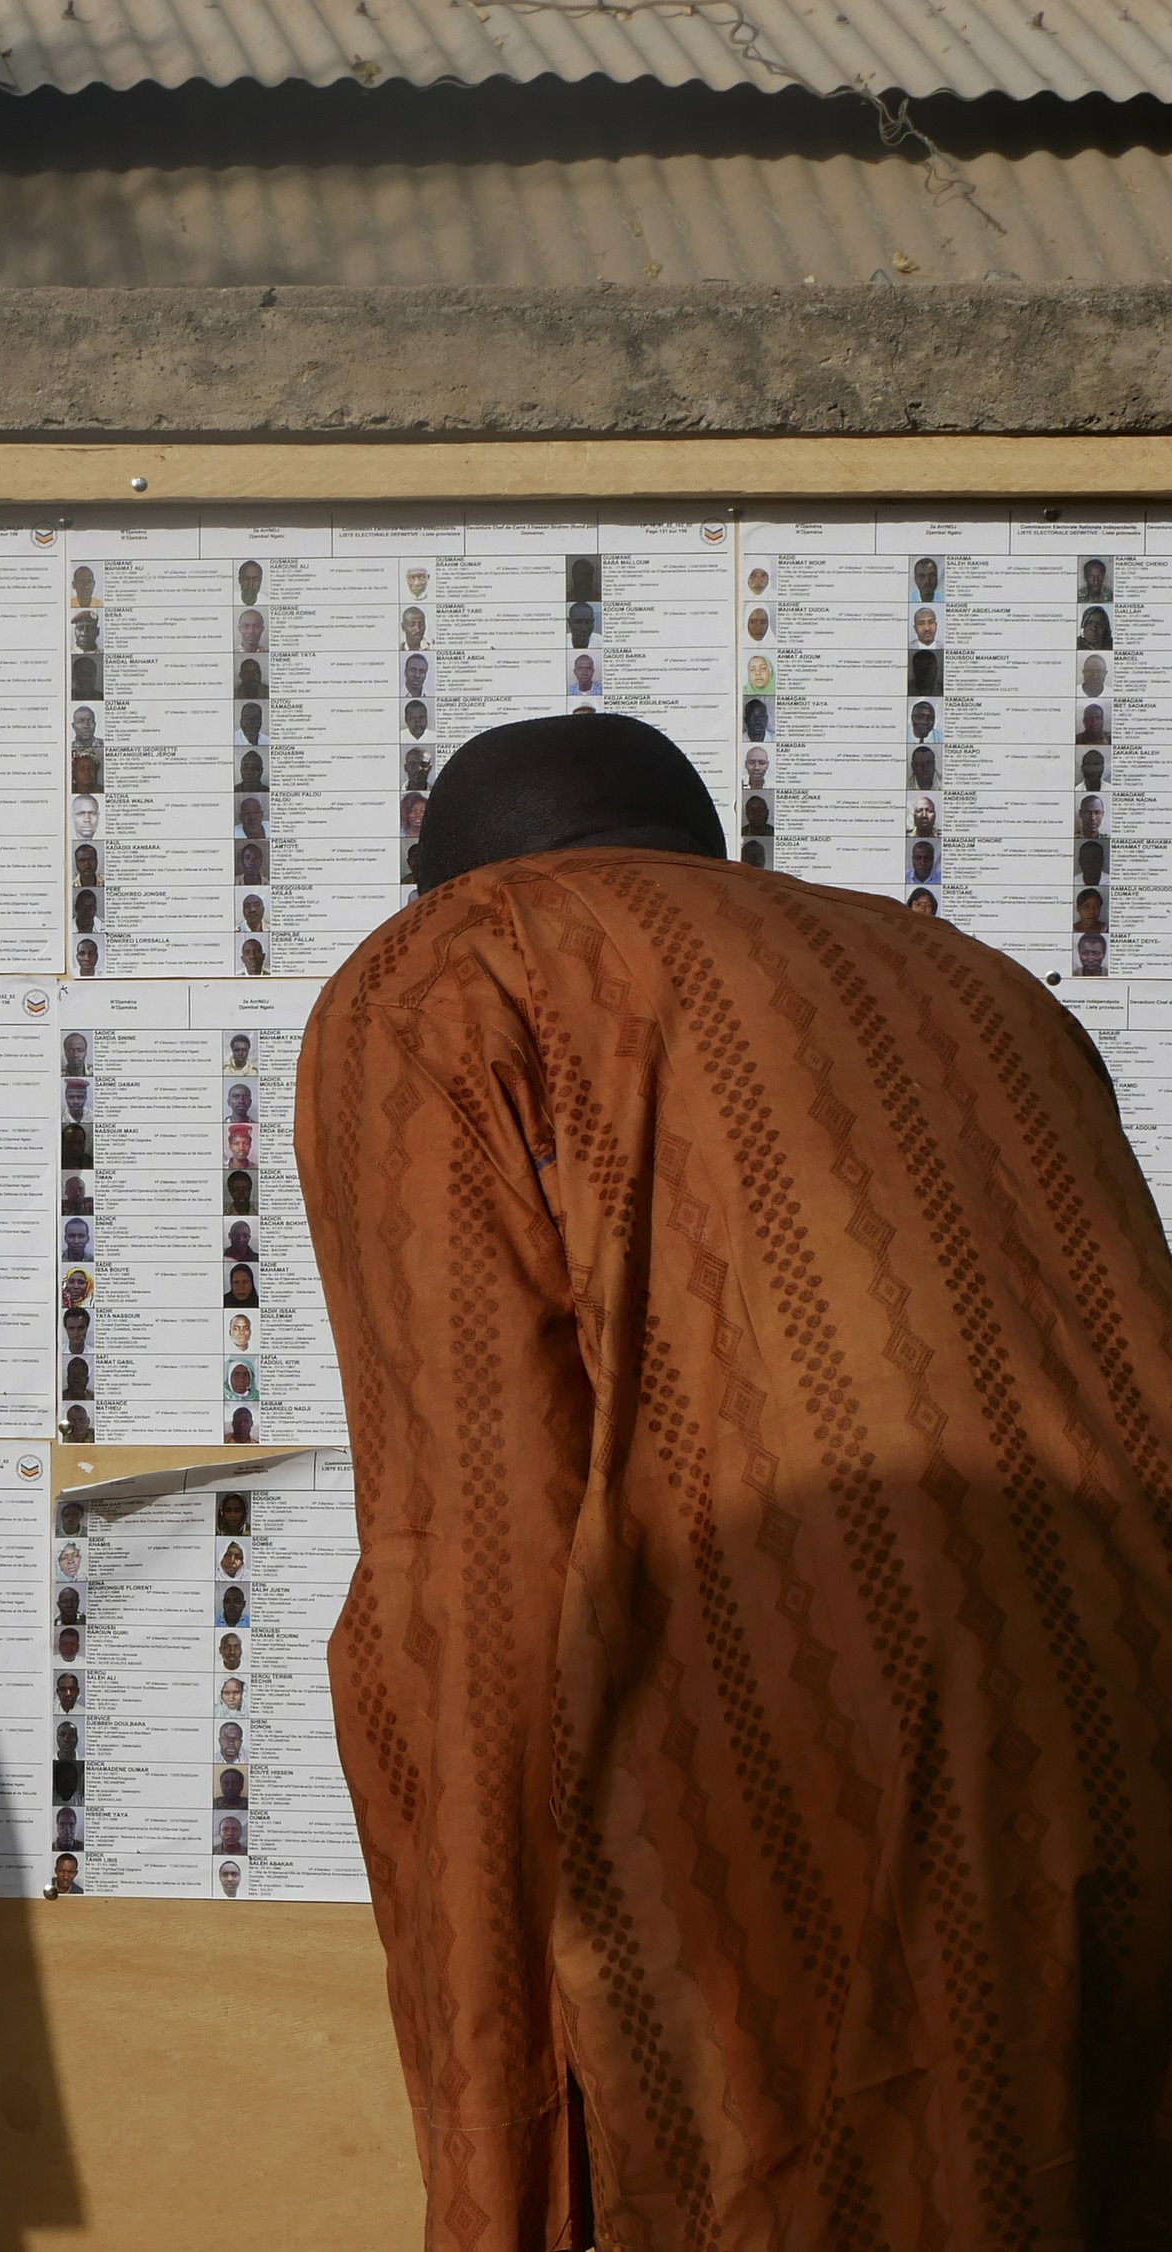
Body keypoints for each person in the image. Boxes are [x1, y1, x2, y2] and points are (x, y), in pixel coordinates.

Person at [298, 708, 1172, 2251]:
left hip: (797, 1773)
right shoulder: (985, 987)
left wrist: (490, 2092)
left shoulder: (454, 971)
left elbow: (470, 1538)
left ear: (435, 877)